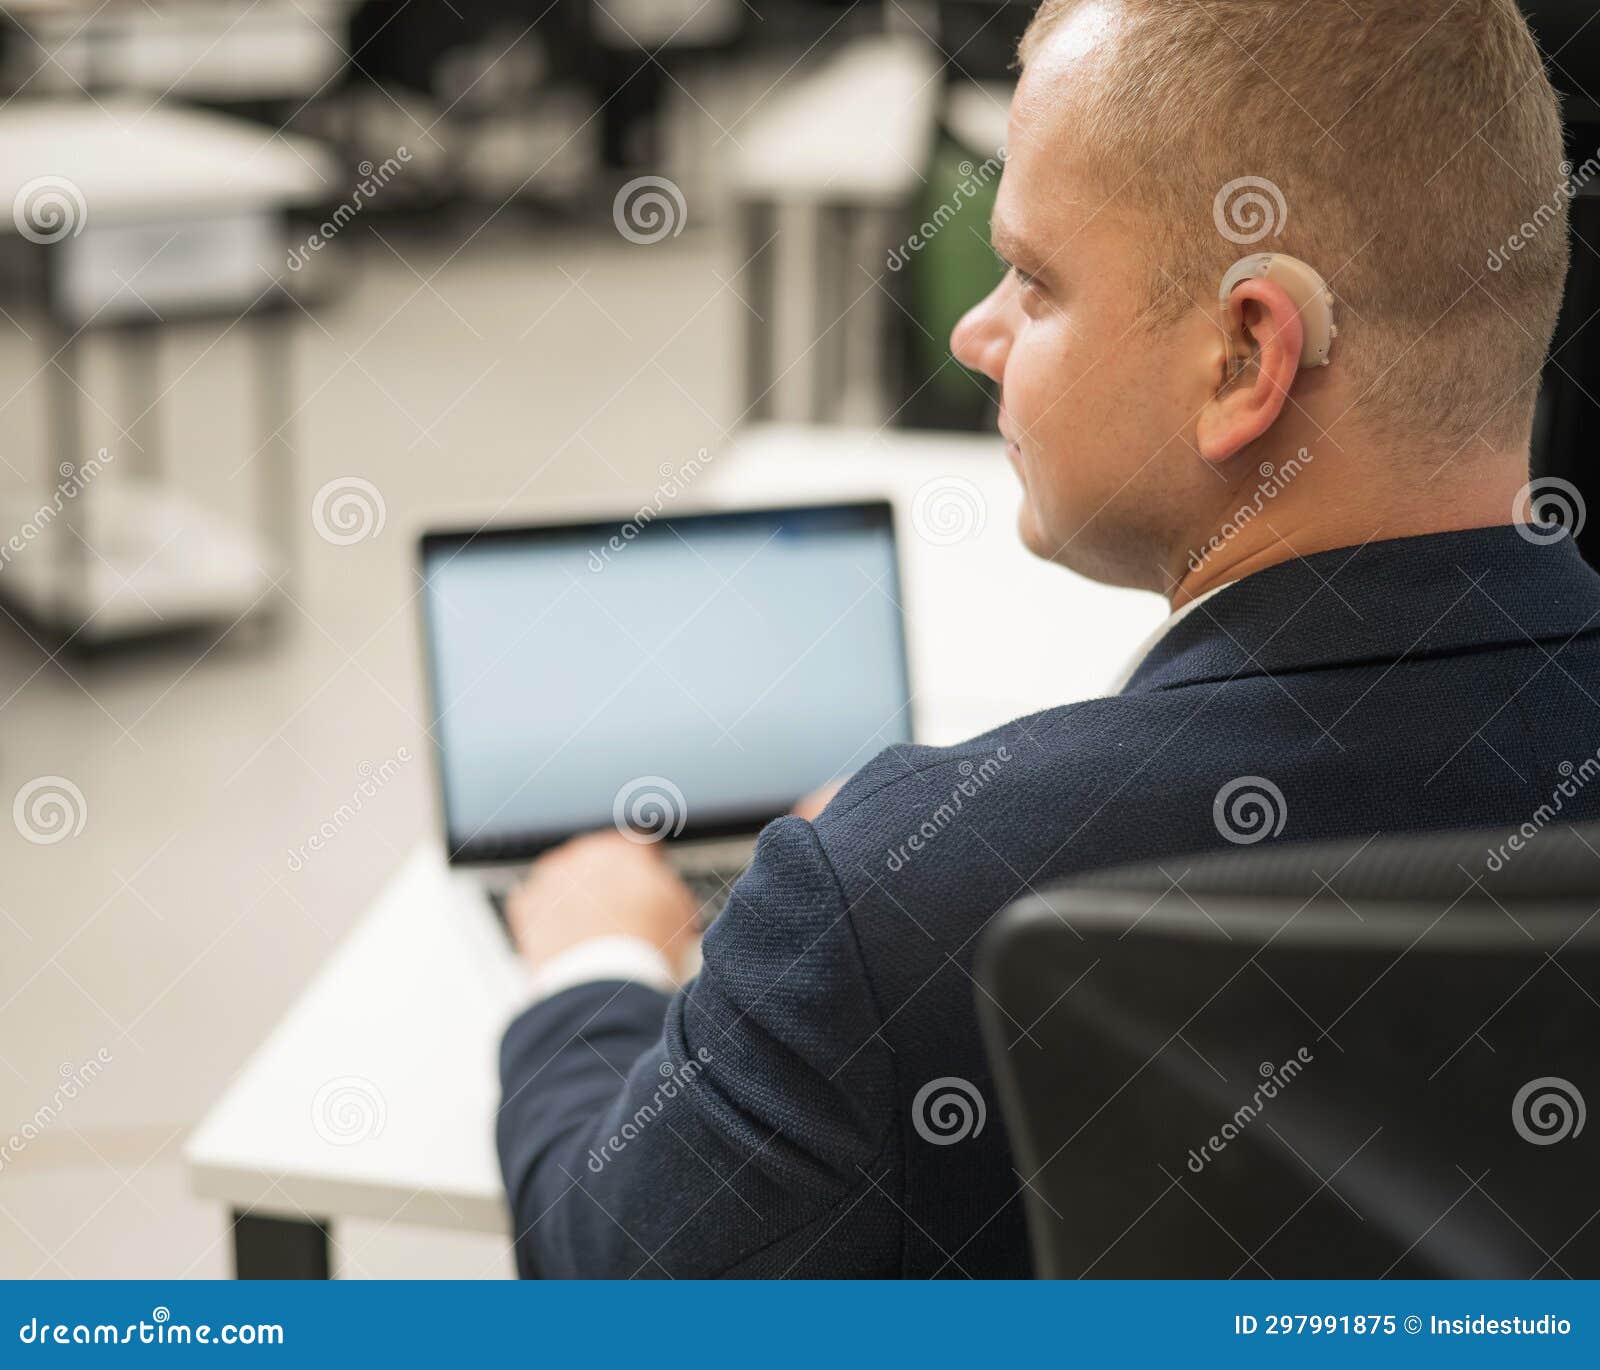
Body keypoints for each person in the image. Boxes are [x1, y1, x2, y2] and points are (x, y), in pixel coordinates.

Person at [496, 0, 1600, 1278]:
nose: (975, 332)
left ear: (1246, 354)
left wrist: (592, 970)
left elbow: (617, 1286)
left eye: (1032, 278)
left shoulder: (904, 903)